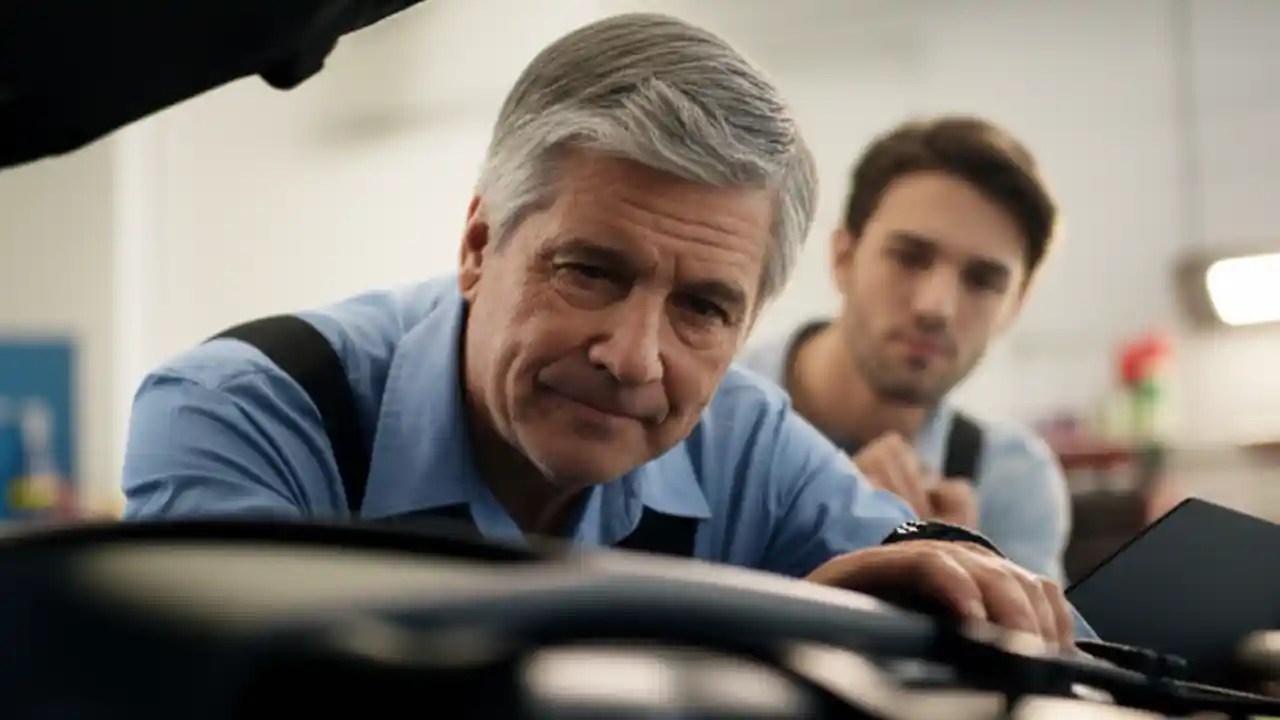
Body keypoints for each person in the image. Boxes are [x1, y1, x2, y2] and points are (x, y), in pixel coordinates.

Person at [121, 13, 1083, 648]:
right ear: (479, 242)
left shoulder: (741, 438)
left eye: (704, 309)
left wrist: (954, 573)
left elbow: (980, 596)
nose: (633, 359)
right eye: (589, 271)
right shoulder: (248, 413)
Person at [739, 116, 1071, 581]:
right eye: (910, 258)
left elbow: (1043, 651)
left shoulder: (1009, 480)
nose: (936, 307)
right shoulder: (699, 418)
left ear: (1017, 303)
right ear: (843, 257)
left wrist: (964, 587)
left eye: (983, 281)